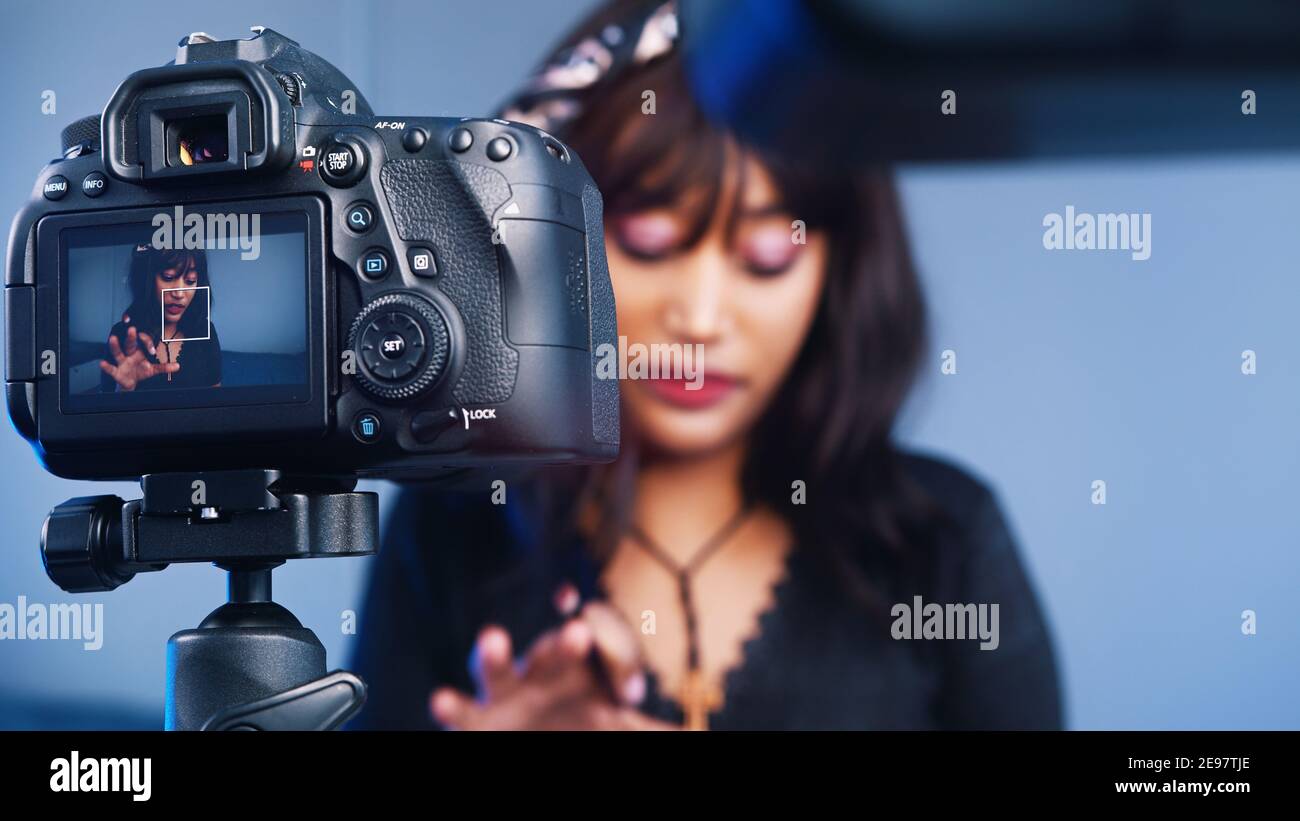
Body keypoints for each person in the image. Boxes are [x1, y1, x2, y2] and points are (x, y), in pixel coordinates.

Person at [350, 0, 1061, 730]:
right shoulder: (452, 531)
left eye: (767, 256)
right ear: (558, 245)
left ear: (840, 269)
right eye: (650, 241)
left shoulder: (943, 540)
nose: (702, 316)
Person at [99, 245, 221, 392]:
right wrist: (124, 389)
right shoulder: (121, 335)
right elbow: (108, 411)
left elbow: (215, 403)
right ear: (147, 279)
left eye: (190, 281)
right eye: (168, 277)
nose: (179, 293)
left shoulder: (204, 331)